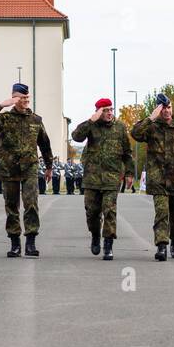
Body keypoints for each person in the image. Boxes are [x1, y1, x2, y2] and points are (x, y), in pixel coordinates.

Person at [0, 82, 54, 258]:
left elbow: (45, 144)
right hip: (9, 168)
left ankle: (30, 243)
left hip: (30, 168)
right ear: (14, 98)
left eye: (27, 98)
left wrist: (49, 166)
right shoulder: (4, 119)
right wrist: (0, 105)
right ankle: (15, 244)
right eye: (22, 98)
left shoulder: (36, 120)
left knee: (31, 205)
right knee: (11, 207)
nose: (26, 101)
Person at [131, 93, 174, 261]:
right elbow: (135, 134)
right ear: (158, 110)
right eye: (163, 109)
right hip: (158, 179)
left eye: (169, 107)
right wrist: (150, 117)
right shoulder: (152, 126)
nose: (167, 111)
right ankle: (162, 246)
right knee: (161, 212)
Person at [72, 98, 134, 260]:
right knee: (92, 213)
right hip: (92, 179)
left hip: (112, 179)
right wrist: (90, 121)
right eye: (105, 110)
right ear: (98, 111)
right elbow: (76, 137)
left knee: (110, 211)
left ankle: (108, 245)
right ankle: (95, 235)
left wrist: (129, 173)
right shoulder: (91, 126)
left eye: (111, 110)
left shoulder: (120, 127)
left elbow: (127, 153)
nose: (109, 113)